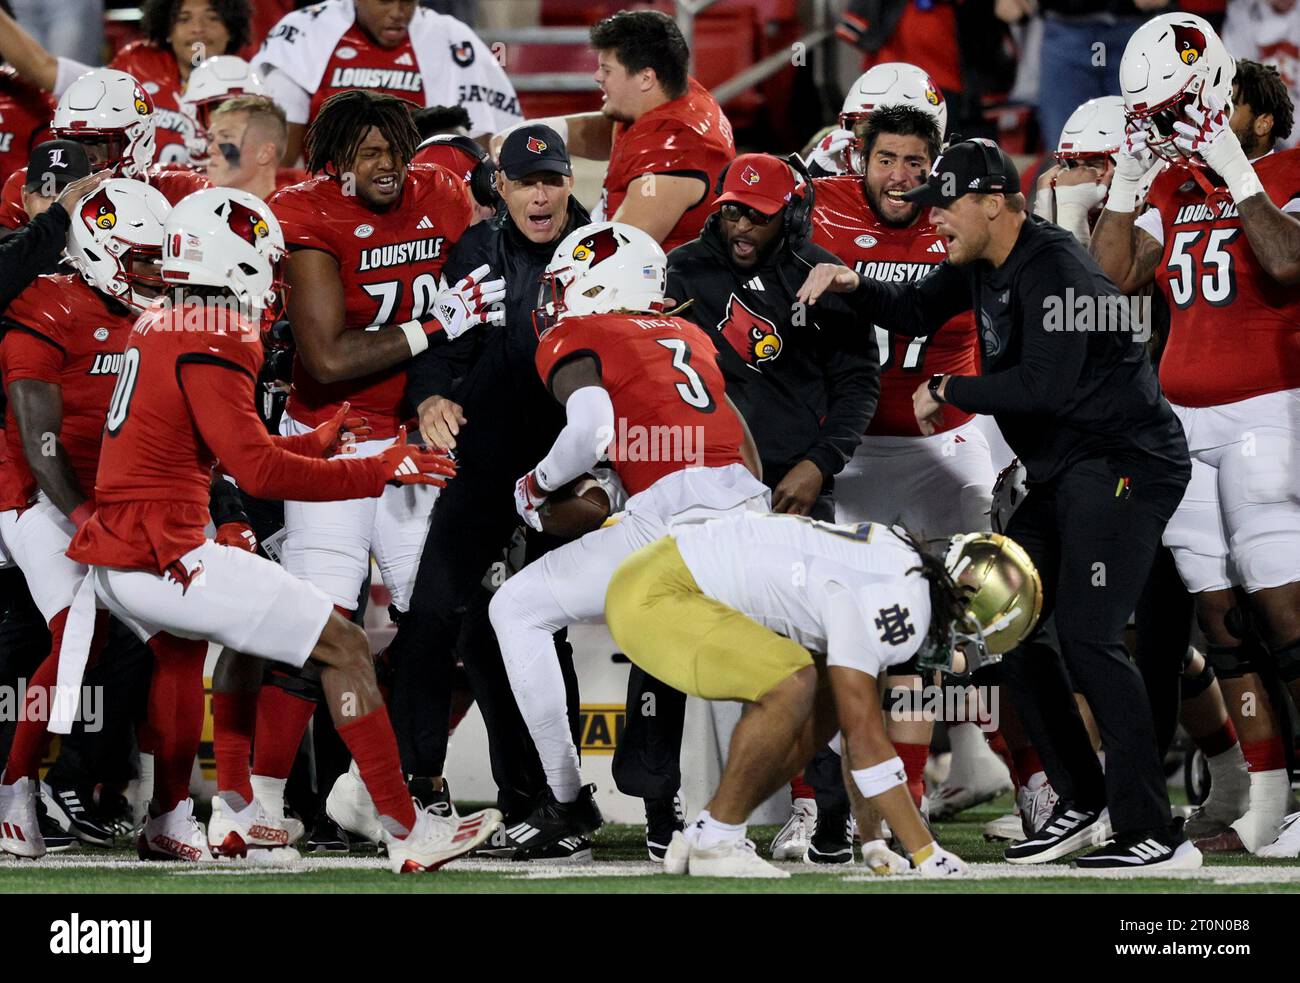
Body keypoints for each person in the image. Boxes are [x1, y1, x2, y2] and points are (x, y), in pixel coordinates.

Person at [57, 186, 497, 871]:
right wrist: (377, 468)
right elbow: (256, 473)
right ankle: (409, 830)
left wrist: (316, 443)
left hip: (129, 549)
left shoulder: (166, 318)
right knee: (345, 642)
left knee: (219, 651)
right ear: (234, 259)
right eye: (264, 258)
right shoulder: (216, 328)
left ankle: (193, 814)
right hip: (164, 551)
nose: (273, 274)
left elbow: (231, 447)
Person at [798, 136, 1201, 871]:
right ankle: (1080, 800)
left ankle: (1153, 829)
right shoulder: (981, 258)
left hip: (1125, 464)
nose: (935, 222)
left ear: (992, 202)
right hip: (1069, 466)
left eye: (945, 205)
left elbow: (1043, 386)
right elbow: (915, 308)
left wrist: (951, 390)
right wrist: (853, 283)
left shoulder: (1057, 270)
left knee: (1088, 634)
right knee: (999, 619)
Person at [241, 90, 502, 833]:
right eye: (368, 152)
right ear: (334, 162)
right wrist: (431, 327)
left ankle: (390, 780)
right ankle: (258, 804)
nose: (388, 164)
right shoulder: (309, 212)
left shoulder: (442, 192)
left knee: (447, 616)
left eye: (395, 146)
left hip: (416, 440)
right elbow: (324, 357)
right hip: (335, 435)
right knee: (318, 619)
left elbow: (477, 294)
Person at [485, 220, 769, 862]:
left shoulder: (582, 332)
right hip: (748, 510)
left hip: (676, 518)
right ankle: (844, 811)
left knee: (515, 608)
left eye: (565, 284)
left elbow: (589, 427)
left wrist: (535, 486)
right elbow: (743, 447)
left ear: (596, 282)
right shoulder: (689, 334)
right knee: (784, 663)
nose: (556, 299)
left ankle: (565, 801)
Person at [1093, 15, 1300, 855]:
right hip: (1183, 425)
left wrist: (1235, 173)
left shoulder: (1287, 168)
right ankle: (1265, 794)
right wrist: (1126, 184)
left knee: (1285, 606)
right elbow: (1109, 285)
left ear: (1254, 117)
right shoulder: (1176, 188)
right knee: (1219, 616)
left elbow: (1288, 261)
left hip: (1267, 412)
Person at [361, 123, 591, 851]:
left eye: (551, 179)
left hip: (572, 462)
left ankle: (556, 798)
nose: (540, 194)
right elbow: (439, 340)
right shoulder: (474, 249)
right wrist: (429, 396)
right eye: (525, 182)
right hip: (488, 457)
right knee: (432, 612)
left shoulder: (598, 250)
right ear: (500, 187)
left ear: (568, 184)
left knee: (535, 630)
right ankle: (411, 789)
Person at [604, 512, 1042, 878]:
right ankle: (719, 836)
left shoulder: (902, 568)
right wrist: (926, 852)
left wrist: (872, 842)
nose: (962, 652)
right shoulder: (896, 607)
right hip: (661, 593)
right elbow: (869, 741)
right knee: (795, 685)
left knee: (825, 705)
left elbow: (853, 730)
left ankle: (707, 831)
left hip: (660, 572)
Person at [665, 152, 878, 862]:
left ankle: (826, 809)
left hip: (795, 484)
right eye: (730, 208)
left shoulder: (821, 274)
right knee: (730, 650)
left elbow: (859, 388)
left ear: (790, 209)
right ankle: (662, 796)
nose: (740, 224)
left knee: (810, 646)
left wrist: (820, 464)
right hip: (708, 486)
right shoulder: (681, 270)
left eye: (756, 212)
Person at [811, 104, 1007, 850]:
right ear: (857, 158)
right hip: (851, 450)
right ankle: (817, 803)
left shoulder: (962, 217)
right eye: (886, 159)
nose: (901, 177)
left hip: (946, 449)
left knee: (968, 630)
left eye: (916, 165)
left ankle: (997, 778)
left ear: (938, 166)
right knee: (833, 636)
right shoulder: (813, 208)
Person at [0, 178, 169, 858]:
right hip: (31, 492)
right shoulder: (41, 306)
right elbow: (40, 448)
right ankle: (14, 790)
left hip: (116, 492)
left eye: (163, 258)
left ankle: (169, 804)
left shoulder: (162, 314)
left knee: (163, 637)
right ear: (98, 251)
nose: (158, 273)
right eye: (143, 258)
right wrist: (93, 522)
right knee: (77, 631)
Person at [492, 9, 733, 252]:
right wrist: (534, 133)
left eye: (607, 70)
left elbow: (613, 254)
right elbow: (610, 128)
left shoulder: (673, 153)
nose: (597, 76)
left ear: (646, 78)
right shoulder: (670, 94)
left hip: (655, 284)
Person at [255, 0, 521, 165]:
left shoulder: (451, 38)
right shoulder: (305, 32)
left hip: (418, 202)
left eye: (407, 2)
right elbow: (281, 160)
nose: (398, 13)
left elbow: (480, 146)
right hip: (324, 200)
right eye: (385, 1)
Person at [0, 0, 253, 163]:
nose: (198, 28)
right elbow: (42, 68)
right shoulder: (130, 77)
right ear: (166, 30)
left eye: (212, 17)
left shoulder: (254, 88)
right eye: (184, 19)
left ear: (231, 27)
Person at [0, 68, 211, 229]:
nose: (82, 156)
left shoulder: (182, 194)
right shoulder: (33, 187)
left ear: (138, 139)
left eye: (98, 143)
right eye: (71, 142)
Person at [201, 94, 292, 200]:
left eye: (226, 137)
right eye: (211, 139)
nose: (211, 149)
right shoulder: (195, 205)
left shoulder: (291, 214)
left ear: (264, 154)